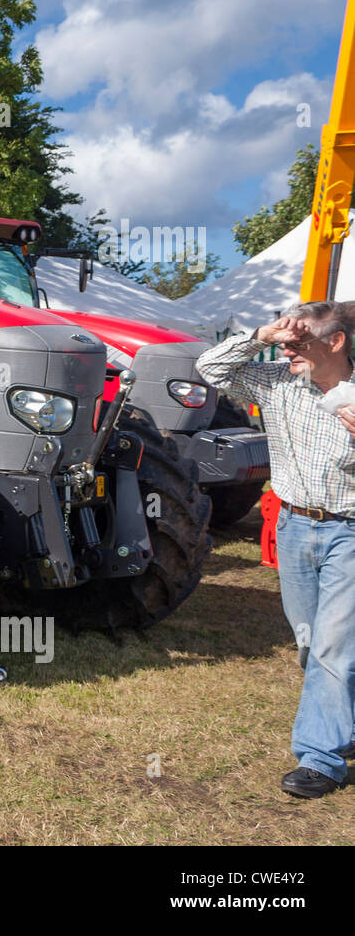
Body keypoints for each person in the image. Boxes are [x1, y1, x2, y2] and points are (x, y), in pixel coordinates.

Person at [196, 300, 355, 799]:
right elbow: (210, 367)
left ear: (336, 341)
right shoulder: (277, 382)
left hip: (349, 533)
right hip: (293, 528)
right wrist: (262, 334)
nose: (289, 350)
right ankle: (341, 725)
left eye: (299, 341)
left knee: (332, 645)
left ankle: (320, 758)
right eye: (284, 343)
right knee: (311, 642)